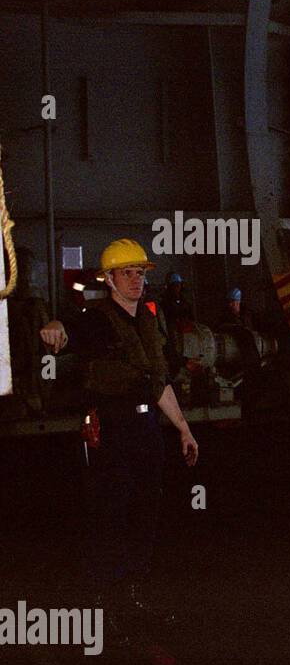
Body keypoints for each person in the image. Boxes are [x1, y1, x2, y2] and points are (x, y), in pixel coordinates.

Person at [39, 238, 199, 637]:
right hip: (112, 430)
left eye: (140, 273)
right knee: (109, 513)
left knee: (145, 512)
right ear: (108, 279)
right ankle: (100, 602)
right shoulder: (95, 318)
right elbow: (69, 327)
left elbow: (157, 382)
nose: (135, 280)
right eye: (126, 273)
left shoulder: (149, 318)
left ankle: (134, 595)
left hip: (146, 430)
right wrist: (55, 327)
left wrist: (183, 428)